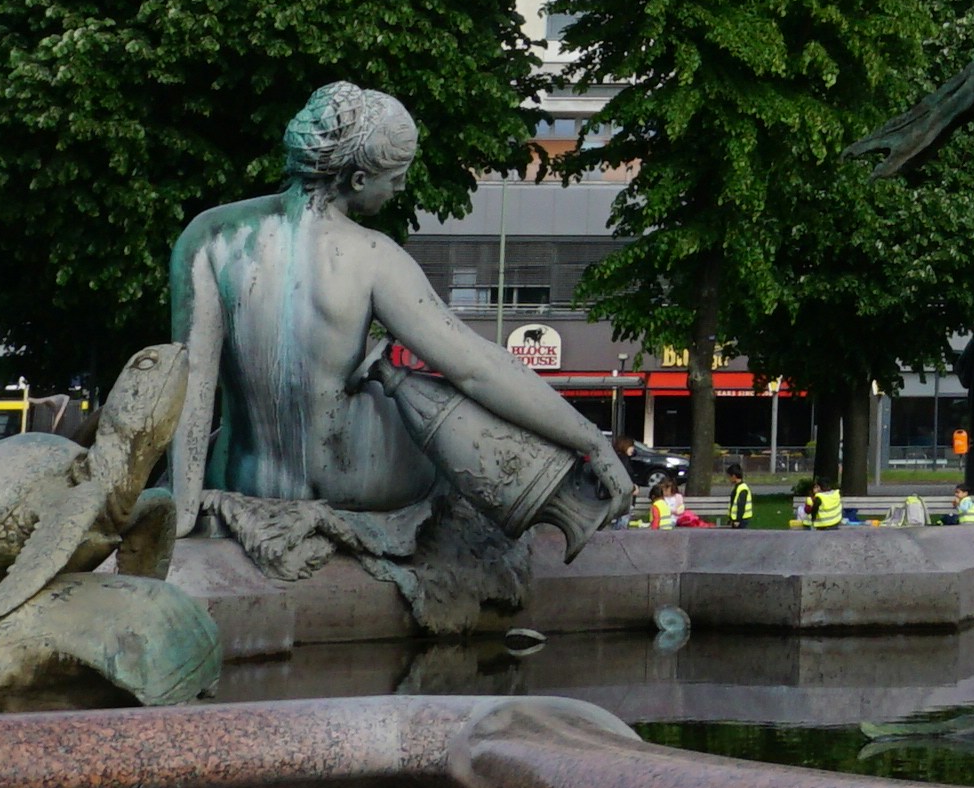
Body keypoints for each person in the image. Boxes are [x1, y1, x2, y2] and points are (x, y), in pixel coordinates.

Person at [163, 82, 631, 634]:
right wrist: (588, 440)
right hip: (363, 482)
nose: (401, 187)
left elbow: (190, 388)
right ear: (357, 179)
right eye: (397, 175)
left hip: (245, 477)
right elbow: (476, 368)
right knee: (442, 411)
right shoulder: (374, 256)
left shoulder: (209, 236)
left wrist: (184, 511)